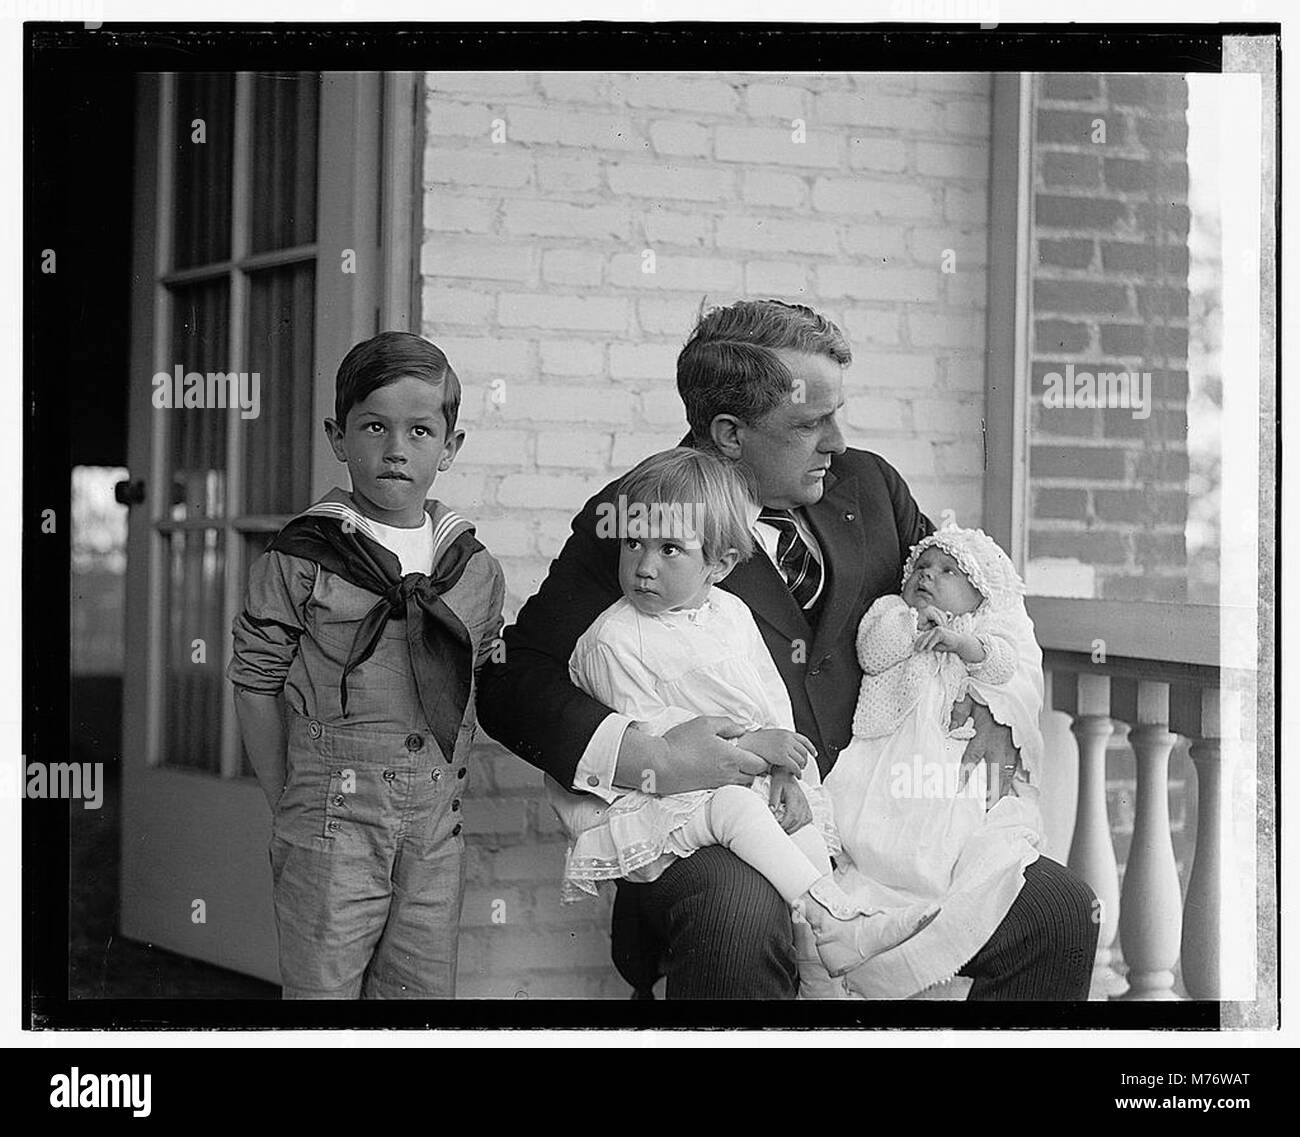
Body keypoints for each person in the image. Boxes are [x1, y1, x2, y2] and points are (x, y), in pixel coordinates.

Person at [476, 299, 1097, 1000]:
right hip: (727, 824)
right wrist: (653, 758)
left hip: (881, 817)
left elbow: (978, 596)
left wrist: (994, 706)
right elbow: (511, 680)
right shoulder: (646, 513)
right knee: (744, 915)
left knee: (1060, 911)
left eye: (836, 415)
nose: (835, 442)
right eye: (809, 423)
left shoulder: (870, 484)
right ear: (729, 433)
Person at [548, 447, 938, 982]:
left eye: (669, 549)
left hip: (744, 780)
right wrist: (755, 747)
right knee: (737, 807)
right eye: (633, 542)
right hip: (666, 802)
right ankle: (830, 915)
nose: (643, 566)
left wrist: (784, 771)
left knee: (801, 829)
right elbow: (650, 738)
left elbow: (767, 699)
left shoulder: (730, 613)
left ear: (720, 564)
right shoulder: (613, 639)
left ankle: (826, 967)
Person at [227, 331, 505, 999]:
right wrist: (288, 794)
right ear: (338, 436)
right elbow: (255, 679)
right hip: (331, 817)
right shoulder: (301, 557)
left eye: (419, 429)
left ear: (450, 447)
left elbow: (487, 677)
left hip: (436, 828)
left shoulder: (473, 567)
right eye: (374, 425)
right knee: (322, 990)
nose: (396, 447)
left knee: (418, 992)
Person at [827, 524, 1047, 998]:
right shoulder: (891, 612)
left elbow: (1002, 664)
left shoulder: (976, 629)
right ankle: (880, 881)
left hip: (942, 750)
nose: (928, 577)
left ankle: (926, 887)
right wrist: (913, 624)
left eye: (948, 571)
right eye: (921, 568)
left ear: (978, 593)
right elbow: (872, 652)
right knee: (870, 814)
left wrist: (963, 644)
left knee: (945, 815)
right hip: (889, 742)